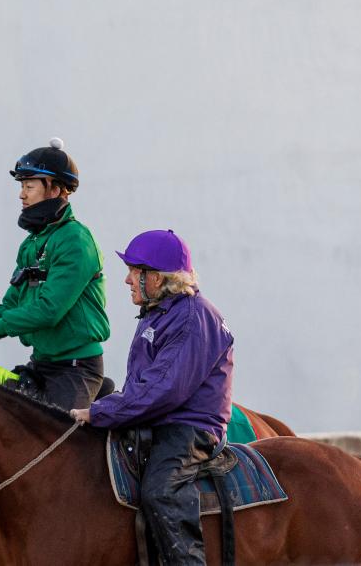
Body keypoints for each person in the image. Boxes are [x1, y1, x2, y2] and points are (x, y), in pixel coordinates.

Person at [70, 229, 234, 566]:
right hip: (157, 419)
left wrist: (99, 412)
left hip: (188, 427)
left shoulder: (191, 316)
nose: (127, 280)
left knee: (160, 491)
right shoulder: (160, 312)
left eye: (134, 271)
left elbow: (163, 389)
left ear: (157, 278)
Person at [0, 138, 110, 410]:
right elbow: (11, 303)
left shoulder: (75, 240)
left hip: (76, 370)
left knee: (58, 447)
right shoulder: (31, 243)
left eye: (29, 186)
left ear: (55, 189)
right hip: (42, 364)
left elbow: (49, 309)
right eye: (21, 186)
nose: (22, 194)